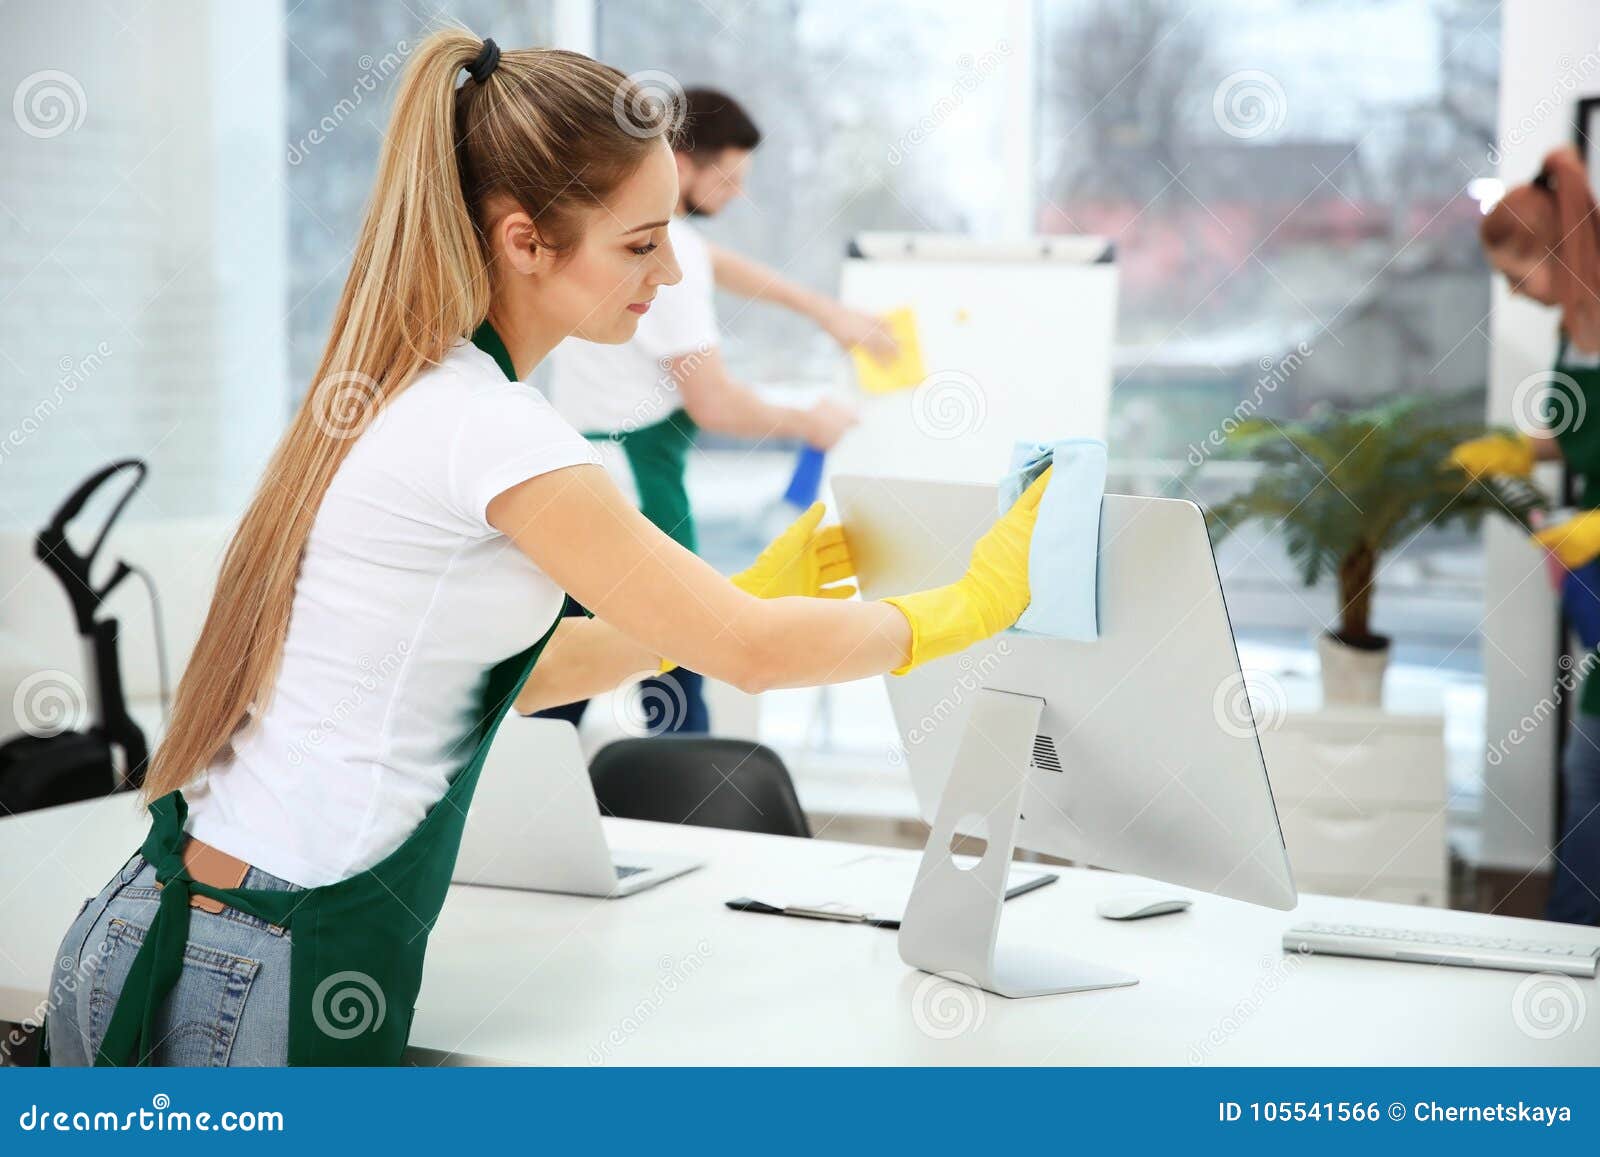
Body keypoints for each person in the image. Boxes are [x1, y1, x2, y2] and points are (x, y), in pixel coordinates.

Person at [42, 32, 1050, 1067]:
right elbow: (755, 654)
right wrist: (971, 603)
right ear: (525, 242)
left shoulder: (399, 390)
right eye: (639, 243)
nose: (666, 271)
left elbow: (526, 670)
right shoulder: (496, 432)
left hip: (159, 920)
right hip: (261, 957)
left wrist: (728, 597)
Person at [538, 87, 898, 735]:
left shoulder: (627, 235)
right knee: (679, 665)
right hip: (637, 488)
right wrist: (807, 421)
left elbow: (727, 267)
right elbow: (715, 403)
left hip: (584, 478)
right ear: (679, 160)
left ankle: (521, 806)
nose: (736, 194)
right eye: (729, 177)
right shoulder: (667, 257)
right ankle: (687, 820)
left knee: (562, 675)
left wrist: (827, 313)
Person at [1452, 144, 1600, 926]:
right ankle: (1572, 953)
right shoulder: (1576, 332)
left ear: (1550, 249)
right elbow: (1585, 438)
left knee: (1590, 772)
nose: (1512, 291)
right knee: (1587, 775)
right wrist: (1518, 447)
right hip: (1593, 578)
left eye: (1515, 273)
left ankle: (1570, 955)